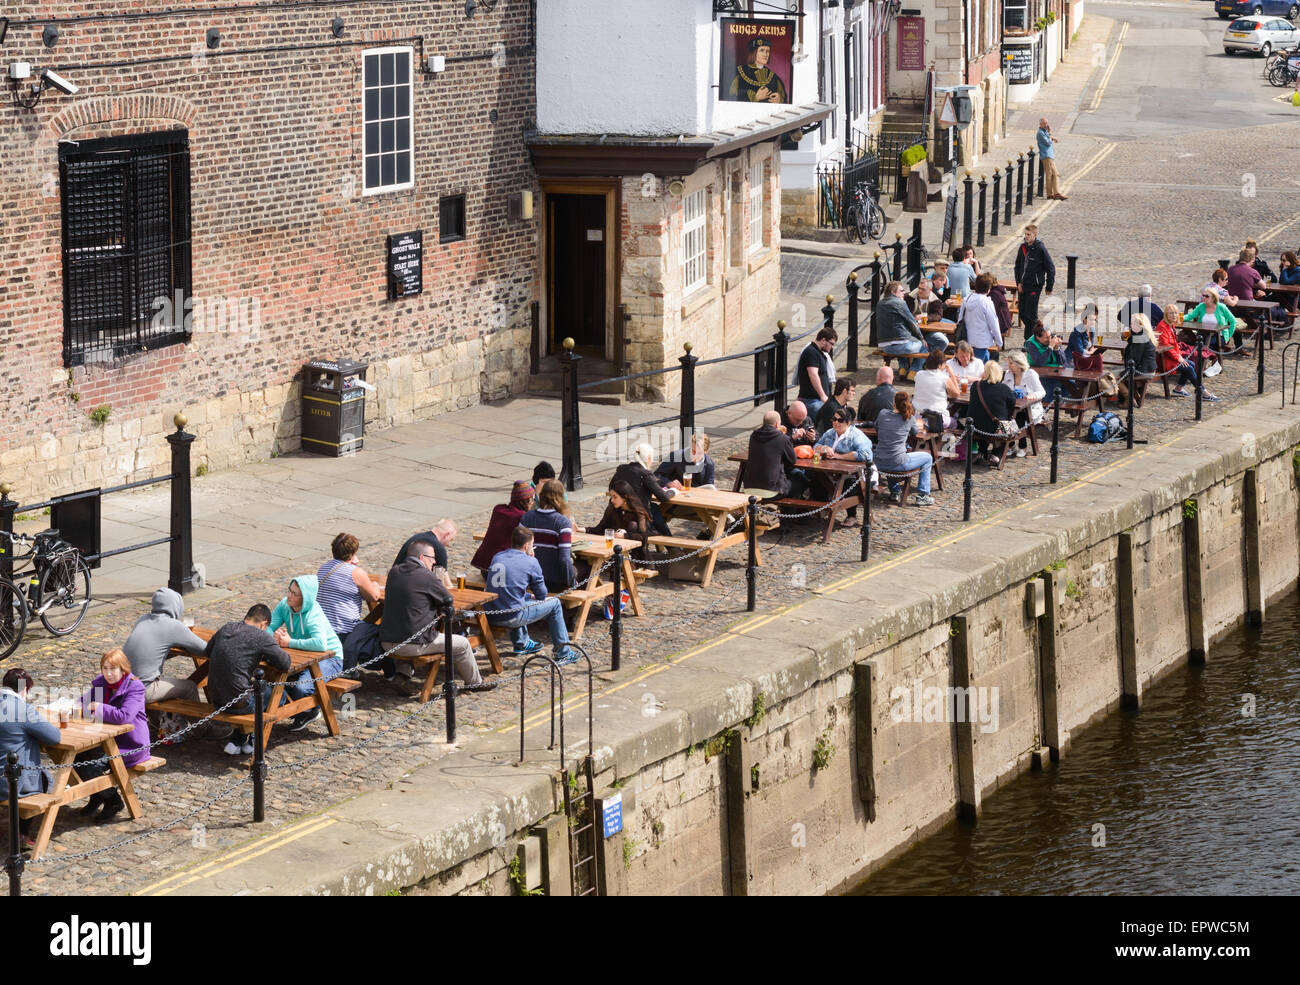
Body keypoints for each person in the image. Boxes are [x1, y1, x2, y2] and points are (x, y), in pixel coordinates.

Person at [380, 540, 491, 693]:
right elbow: (447, 599)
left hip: (387, 641)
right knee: (463, 644)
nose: (434, 561)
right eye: (431, 557)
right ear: (421, 557)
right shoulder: (425, 575)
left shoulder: (394, 572)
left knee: (408, 624)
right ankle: (475, 682)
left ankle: (402, 676)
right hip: (413, 644)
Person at [203, 604, 292, 756]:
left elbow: (207, 652)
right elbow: (285, 663)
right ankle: (251, 739)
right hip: (238, 703)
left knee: (249, 691)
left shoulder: (227, 627)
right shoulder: (261, 636)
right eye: (265, 627)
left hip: (216, 699)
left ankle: (239, 738)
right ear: (263, 623)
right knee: (280, 696)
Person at [74, 649, 149, 824]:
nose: (108, 673)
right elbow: (82, 702)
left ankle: (113, 801)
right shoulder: (101, 684)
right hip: (106, 742)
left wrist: (98, 708)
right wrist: (71, 706)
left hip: (131, 745)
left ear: (123, 669)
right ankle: (97, 795)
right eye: (105, 668)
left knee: (89, 764)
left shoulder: (135, 687)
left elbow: (124, 716)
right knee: (76, 759)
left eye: (113, 669)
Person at [487, 527, 577, 663]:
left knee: (519, 599)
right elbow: (542, 595)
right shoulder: (531, 562)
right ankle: (563, 652)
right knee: (555, 603)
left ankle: (521, 643)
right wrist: (532, 561)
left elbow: (507, 589)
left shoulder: (498, 556)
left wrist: (528, 597)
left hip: (491, 613)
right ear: (527, 545)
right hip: (511, 615)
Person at [267, 576, 344, 733]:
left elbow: (320, 644)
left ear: (305, 598)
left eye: (295, 594)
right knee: (271, 678)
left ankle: (311, 710)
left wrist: (289, 642)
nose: (289, 596)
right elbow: (268, 626)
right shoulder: (284, 605)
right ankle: (278, 712)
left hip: (330, 658)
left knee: (301, 688)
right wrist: (274, 635)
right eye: (289, 590)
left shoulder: (313, 615)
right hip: (302, 656)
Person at [0, 667, 61, 846]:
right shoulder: (22, 709)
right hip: (9, 784)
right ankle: (22, 834)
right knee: (41, 778)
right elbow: (54, 737)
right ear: (24, 689)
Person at [122, 587, 205, 704]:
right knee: (189, 687)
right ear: (176, 606)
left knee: (158, 680)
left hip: (122, 685)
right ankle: (201, 722)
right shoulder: (173, 626)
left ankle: (157, 721)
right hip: (142, 690)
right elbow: (205, 650)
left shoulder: (142, 619)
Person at [317, 533, 384, 676]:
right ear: (352, 553)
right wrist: (375, 585)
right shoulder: (356, 573)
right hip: (345, 630)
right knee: (377, 629)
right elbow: (373, 596)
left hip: (324, 627)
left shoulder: (323, 568)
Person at [811, 406, 873, 523]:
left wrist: (839, 456)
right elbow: (815, 446)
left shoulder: (856, 436)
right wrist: (824, 448)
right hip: (830, 471)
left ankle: (852, 515)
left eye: (840, 420)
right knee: (816, 477)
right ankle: (822, 509)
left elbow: (866, 455)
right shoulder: (830, 433)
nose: (836, 423)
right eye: (834, 419)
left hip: (853, 474)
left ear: (848, 422)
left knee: (848, 483)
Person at [874, 391, 935, 507]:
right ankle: (923, 495)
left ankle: (895, 491)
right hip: (897, 461)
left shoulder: (882, 414)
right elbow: (915, 432)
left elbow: (876, 427)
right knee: (927, 458)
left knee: (892, 453)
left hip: (879, 460)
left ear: (894, 402)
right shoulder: (909, 418)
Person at [877, 280, 947, 379]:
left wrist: (926, 317)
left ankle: (904, 369)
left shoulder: (880, 303)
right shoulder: (901, 302)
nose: (903, 293)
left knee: (907, 338)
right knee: (923, 345)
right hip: (899, 344)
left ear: (930, 290)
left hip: (883, 345)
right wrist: (921, 338)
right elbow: (911, 322)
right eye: (901, 290)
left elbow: (938, 315)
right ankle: (914, 371)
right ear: (893, 292)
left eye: (922, 289)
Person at [471, 480, 535, 578]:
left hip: (485, 567)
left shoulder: (498, 509)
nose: (533, 502)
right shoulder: (522, 517)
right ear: (528, 501)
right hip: (502, 570)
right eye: (533, 499)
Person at [522, 479, 577, 592]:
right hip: (554, 582)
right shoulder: (563, 522)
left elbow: (517, 550)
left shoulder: (526, 517)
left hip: (529, 579)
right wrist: (571, 583)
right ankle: (573, 607)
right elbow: (564, 559)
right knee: (585, 569)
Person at [612, 444, 676, 537]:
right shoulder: (645, 474)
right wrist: (673, 491)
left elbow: (611, 488)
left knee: (654, 509)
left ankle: (671, 546)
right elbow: (663, 497)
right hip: (639, 514)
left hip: (620, 511)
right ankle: (670, 543)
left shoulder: (621, 469)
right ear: (649, 458)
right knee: (654, 510)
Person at [1155, 306, 1217, 401]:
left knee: (1191, 364)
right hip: (1165, 360)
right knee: (1188, 367)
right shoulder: (1163, 327)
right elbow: (1166, 347)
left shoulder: (1171, 325)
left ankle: (1178, 389)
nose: (1174, 315)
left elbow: (1174, 345)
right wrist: (1179, 358)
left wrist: (1179, 355)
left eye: (1175, 313)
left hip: (1171, 358)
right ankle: (1203, 392)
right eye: (1171, 313)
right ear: (1166, 315)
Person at [585, 480, 652, 561]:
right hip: (614, 549)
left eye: (615, 497)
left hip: (637, 556)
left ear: (625, 498)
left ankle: (630, 565)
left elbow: (643, 537)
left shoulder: (639, 512)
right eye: (611, 497)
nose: (612, 500)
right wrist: (581, 529)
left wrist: (624, 536)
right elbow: (600, 529)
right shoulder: (612, 508)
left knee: (633, 525)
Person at [968, 360, 1017, 463]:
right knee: (1005, 423)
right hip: (996, 428)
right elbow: (1012, 404)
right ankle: (997, 453)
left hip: (975, 426)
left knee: (981, 417)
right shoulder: (1004, 388)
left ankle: (982, 451)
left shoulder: (975, 386)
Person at [1003, 351, 1047, 456]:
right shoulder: (1008, 374)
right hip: (1013, 406)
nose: (1009, 366)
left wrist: (1033, 396)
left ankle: (1023, 446)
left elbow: (1042, 392)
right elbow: (1003, 389)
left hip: (1030, 408)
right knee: (1004, 416)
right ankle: (1011, 445)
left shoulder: (1031, 374)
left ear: (1019, 364)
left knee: (1019, 417)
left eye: (1011, 363)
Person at [1014, 224, 1055, 335]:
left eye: (1028, 234)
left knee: (1031, 315)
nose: (1026, 237)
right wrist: (1018, 283)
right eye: (1025, 234)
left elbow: (1051, 268)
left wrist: (1049, 286)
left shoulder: (1041, 249)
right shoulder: (1022, 248)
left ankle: (1028, 342)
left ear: (1035, 235)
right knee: (1022, 313)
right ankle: (1039, 329)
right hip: (1022, 286)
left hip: (1034, 286)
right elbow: (1017, 267)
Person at [745, 411, 796, 498]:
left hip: (749, 488)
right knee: (799, 482)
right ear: (777, 424)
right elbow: (792, 461)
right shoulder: (783, 438)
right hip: (772, 491)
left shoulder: (753, 436)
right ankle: (790, 511)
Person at [727, 35, 788, 103]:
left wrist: (780, 99)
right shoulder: (739, 72)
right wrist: (755, 97)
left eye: (767, 51)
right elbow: (730, 96)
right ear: (754, 53)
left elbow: (784, 97)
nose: (765, 54)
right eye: (762, 50)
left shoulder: (773, 77)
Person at [795, 327, 837, 420]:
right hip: (812, 400)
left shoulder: (818, 352)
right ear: (823, 340)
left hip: (816, 400)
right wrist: (822, 395)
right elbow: (813, 374)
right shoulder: (811, 352)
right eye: (831, 344)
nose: (832, 347)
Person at [912, 349, 959, 431]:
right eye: (944, 364)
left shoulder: (919, 374)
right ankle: (942, 443)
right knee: (955, 422)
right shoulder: (944, 378)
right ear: (940, 365)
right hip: (937, 420)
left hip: (918, 416)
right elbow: (956, 393)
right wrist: (952, 374)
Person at [960, 273, 1003, 363]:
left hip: (967, 339)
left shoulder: (966, 299)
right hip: (981, 341)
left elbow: (960, 319)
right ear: (988, 289)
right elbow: (994, 324)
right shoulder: (987, 302)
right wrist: (999, 342)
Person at [393, 518, 458, 576]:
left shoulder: (416, 537)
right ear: (447, 535)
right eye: (451, 539)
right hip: (415, 586)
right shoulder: (439, 548)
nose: (449, 544)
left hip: (395, 580)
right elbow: (444, 581)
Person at [1037, 117, 1066, 200]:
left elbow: (1049, 139)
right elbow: (1048, 142)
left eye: (1047, 123)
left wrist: (1052, 137)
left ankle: (1051, 194)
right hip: (1046, 156)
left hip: (1049, 155)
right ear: (1040, 124)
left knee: (1051, 175)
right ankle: (1054, 193)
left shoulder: (1044, 131)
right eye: (1044, 123)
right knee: (1054, 174)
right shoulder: (1040, 133)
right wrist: (1050, 133)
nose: (1046, 125)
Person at [1067, 303, 1099, 368]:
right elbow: (1080, 351)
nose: (1093, 322)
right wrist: (1091, 352)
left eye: (1094, 320)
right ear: (1084, 319)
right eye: (1091, 320)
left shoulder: (1092, 330)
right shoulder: (1077, 331)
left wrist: (1092, 348)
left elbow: (1090, 346)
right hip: (1072, 359)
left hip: (1084, 358)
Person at [989, 272, 1013, 342]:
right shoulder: (997, 290)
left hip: (1002, 323)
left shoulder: (994, 294)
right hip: (1004, 321)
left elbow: (990, 310)